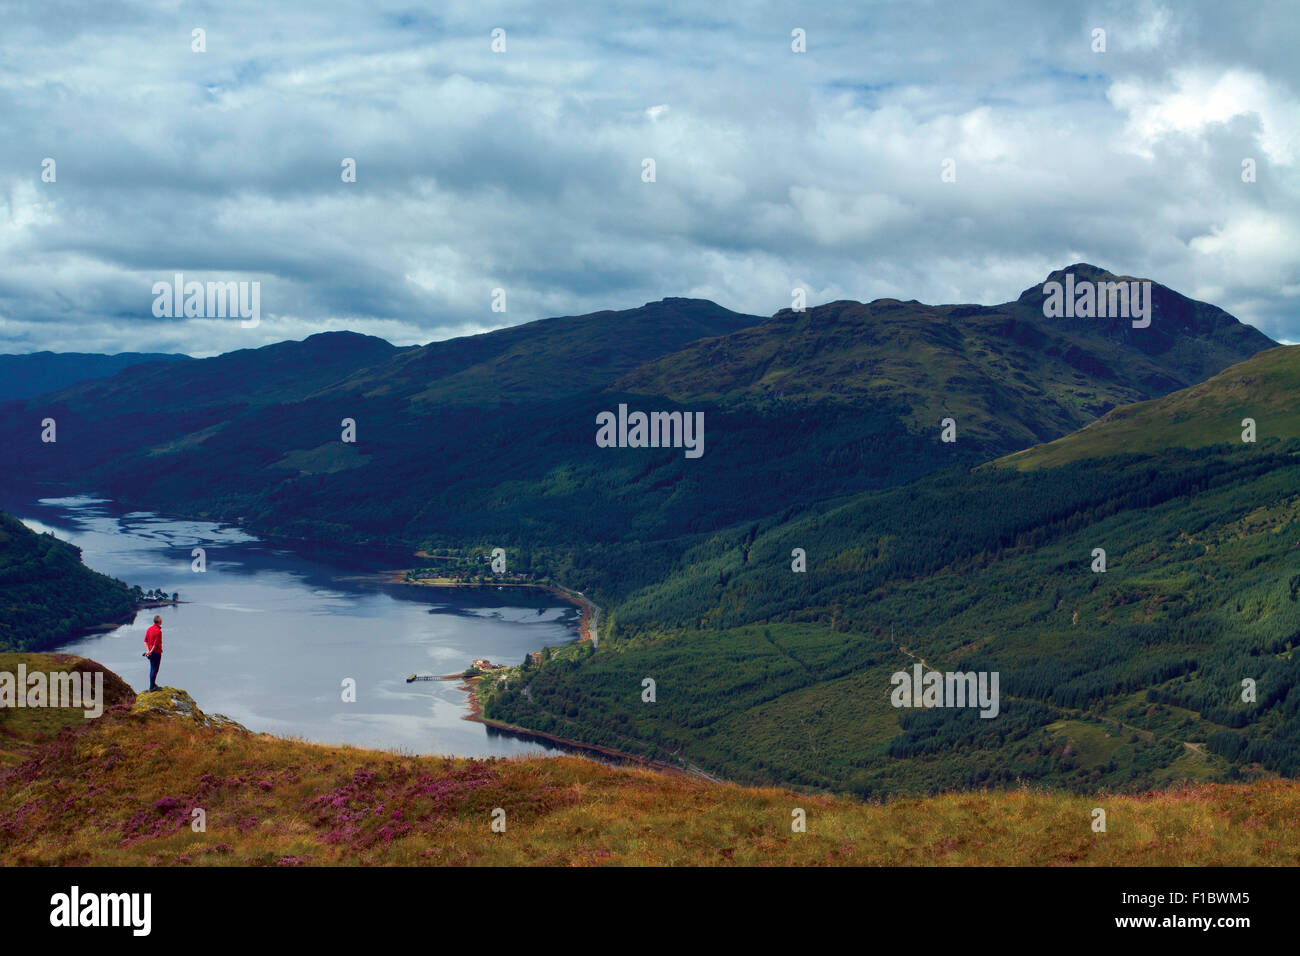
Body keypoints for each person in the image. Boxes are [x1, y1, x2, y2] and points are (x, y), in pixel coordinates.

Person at [143, 615, 163, 691]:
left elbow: (145, 641)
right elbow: (156, 644)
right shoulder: (158, 631)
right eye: (161, 620)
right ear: (159, 621)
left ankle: (153, 684)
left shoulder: (149, 629)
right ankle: (152, 687)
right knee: (155, 669)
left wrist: (148, 651)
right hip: (156, 653)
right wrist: (150, 652)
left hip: (151, 653)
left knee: (152, 668)